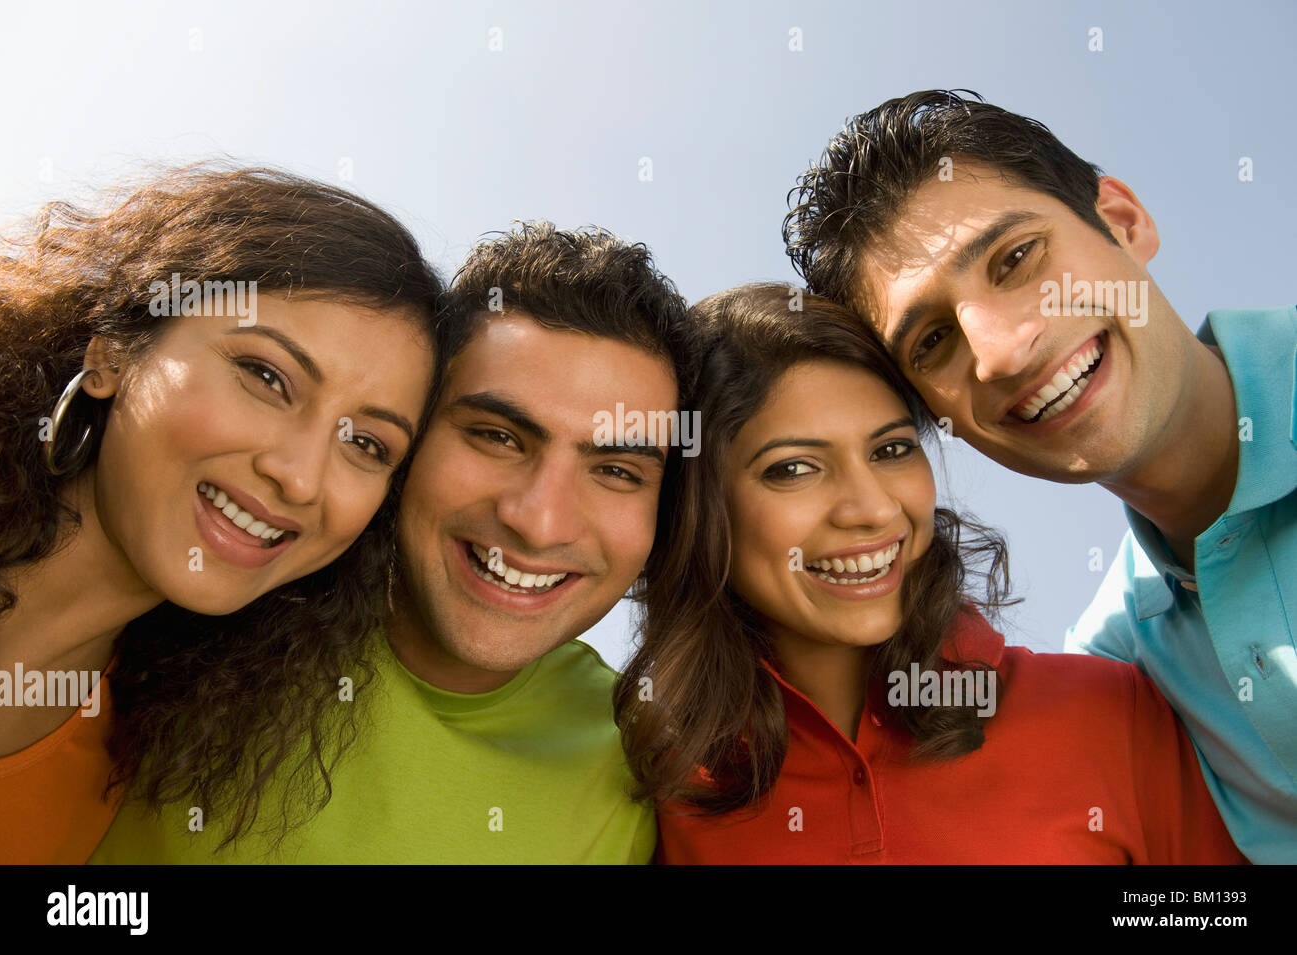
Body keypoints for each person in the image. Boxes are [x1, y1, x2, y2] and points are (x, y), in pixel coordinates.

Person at [782, 89, 1297, 863]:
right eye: (931, 343)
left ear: (1123, 222)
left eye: (1017, 259)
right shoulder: (1121, 671)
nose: (1001, 352)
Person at [90, 222, 698, 863]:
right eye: (496, 436)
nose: (538, 521)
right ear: (406, 443)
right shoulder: (199, 607)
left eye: (617, 472)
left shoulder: (646, 771)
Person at [615, 284, 1245, 863]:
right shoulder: (657, 780)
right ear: (698, 508)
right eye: (794, 468)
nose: (874, 510)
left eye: (891, 450)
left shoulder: (1110, 710)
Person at [0, 165, 441, 863]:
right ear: (112, 349)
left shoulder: (116, 787)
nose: (299, 476)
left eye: (366, 443)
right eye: (267, 376)